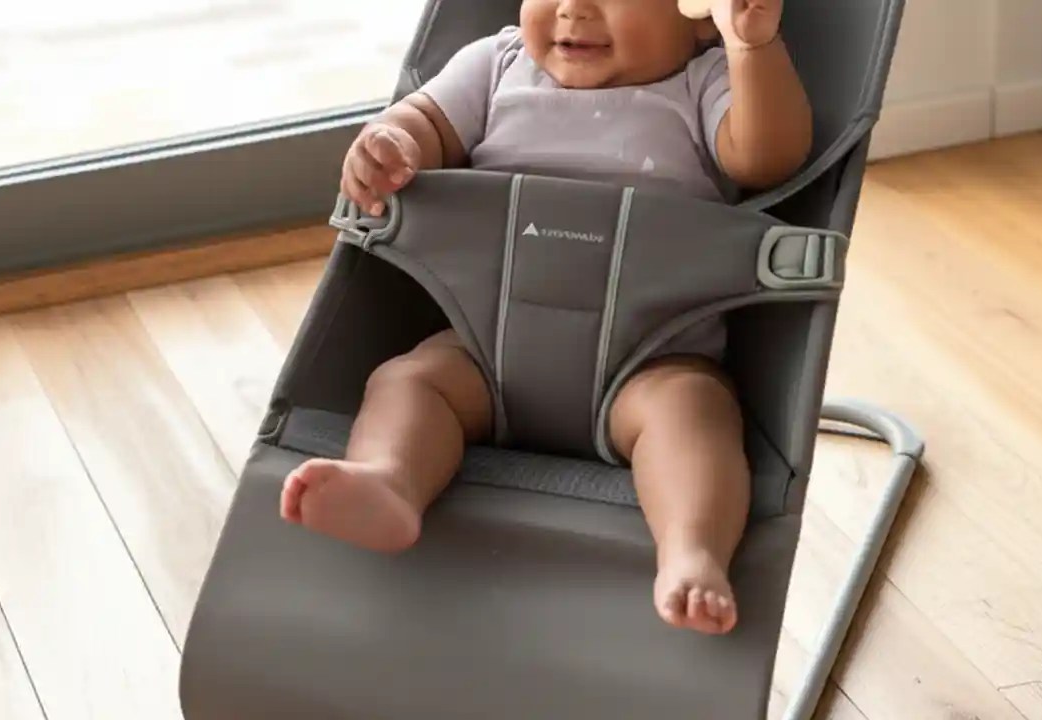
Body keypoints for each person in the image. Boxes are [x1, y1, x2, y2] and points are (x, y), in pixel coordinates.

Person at [281, 0, 811, 636]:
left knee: (694, 414)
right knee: (410, 381)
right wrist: (390, 142)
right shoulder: (495, 64)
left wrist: (750, 48)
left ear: (697, 16)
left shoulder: (704, 83)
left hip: (649, 359)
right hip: (486, 349)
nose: (572, 10)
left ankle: (692, 551)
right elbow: (424, 119)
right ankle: (389, 482)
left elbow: (767, 157)